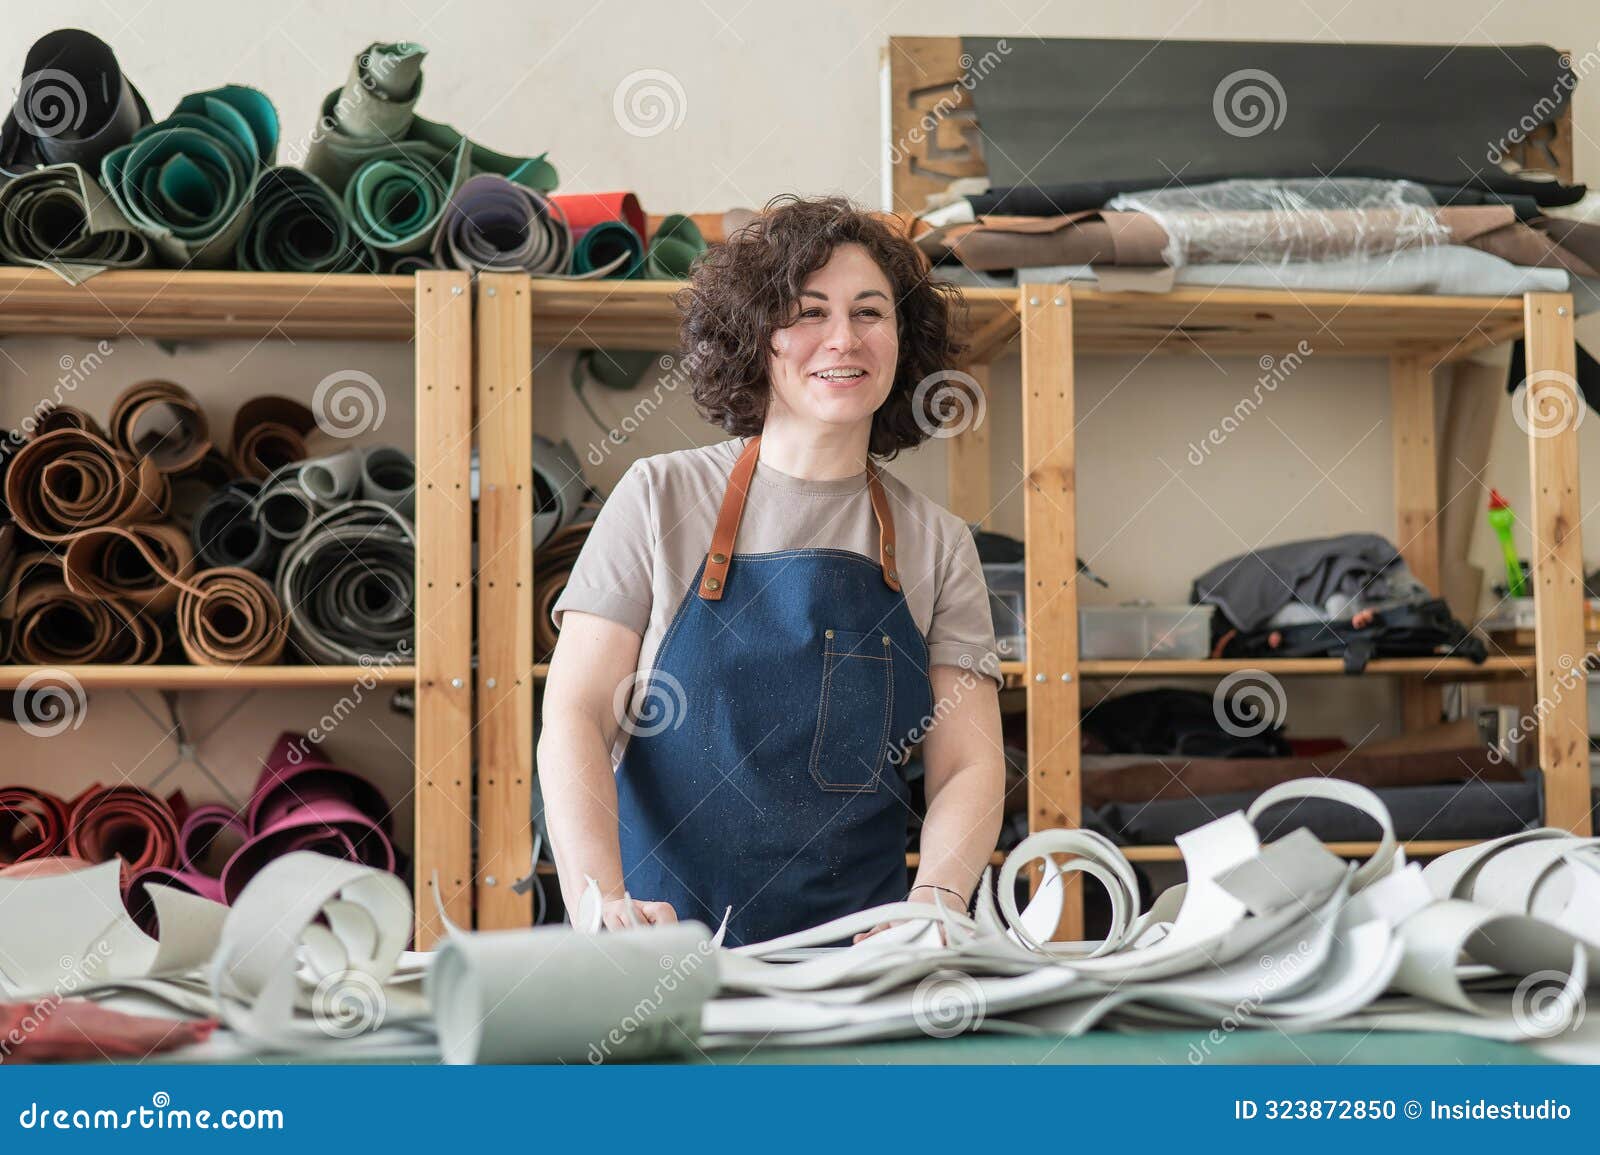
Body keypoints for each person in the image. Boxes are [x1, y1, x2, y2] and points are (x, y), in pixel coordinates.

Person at [539, 194, 1004, 946]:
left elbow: (968, 765)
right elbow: (576, 715)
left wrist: (936, 904)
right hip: (661, 951)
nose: (842, 338)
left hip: (856, 970)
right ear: (757, 336)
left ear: (902, 340)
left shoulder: (939, 545)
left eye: (870, 312)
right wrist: (600, 899)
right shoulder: (659, 497)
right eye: (808, 310)